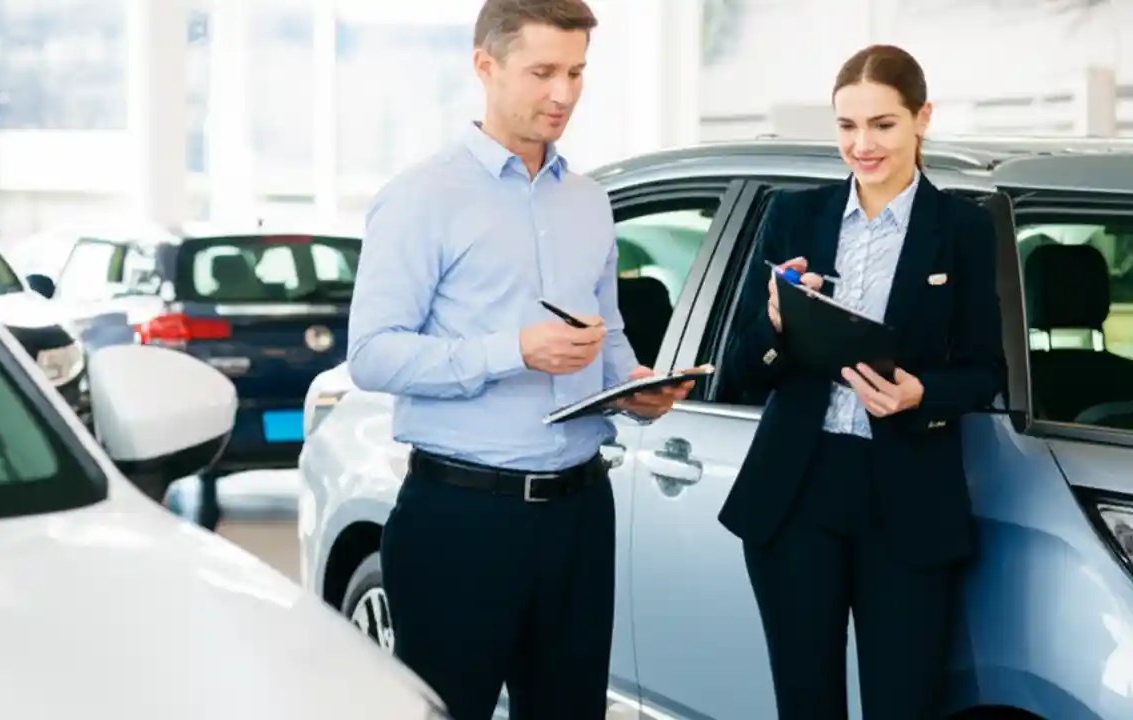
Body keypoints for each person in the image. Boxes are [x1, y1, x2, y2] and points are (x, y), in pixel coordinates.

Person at [346, 1, 691, 718]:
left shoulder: (590, 201)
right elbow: (374, 356)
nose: (563, 93)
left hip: (580, 512)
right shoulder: (420, 198)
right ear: (485, 66)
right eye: (542, 72)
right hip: (461, 518)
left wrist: (633, 387)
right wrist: (513, 351)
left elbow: (608, 335)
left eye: (576, 72)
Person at [717, 44, 1006, 720]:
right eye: (847, 125)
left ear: (921, 118)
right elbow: (739, 367)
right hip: (798, 491)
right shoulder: (794, 215)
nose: (862, 144)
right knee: (805, 703)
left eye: (882, 124)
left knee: (903, 702)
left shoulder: (963, 228)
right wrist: (779, 321)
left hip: (905, 492)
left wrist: (921, 395)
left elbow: (984, 372)